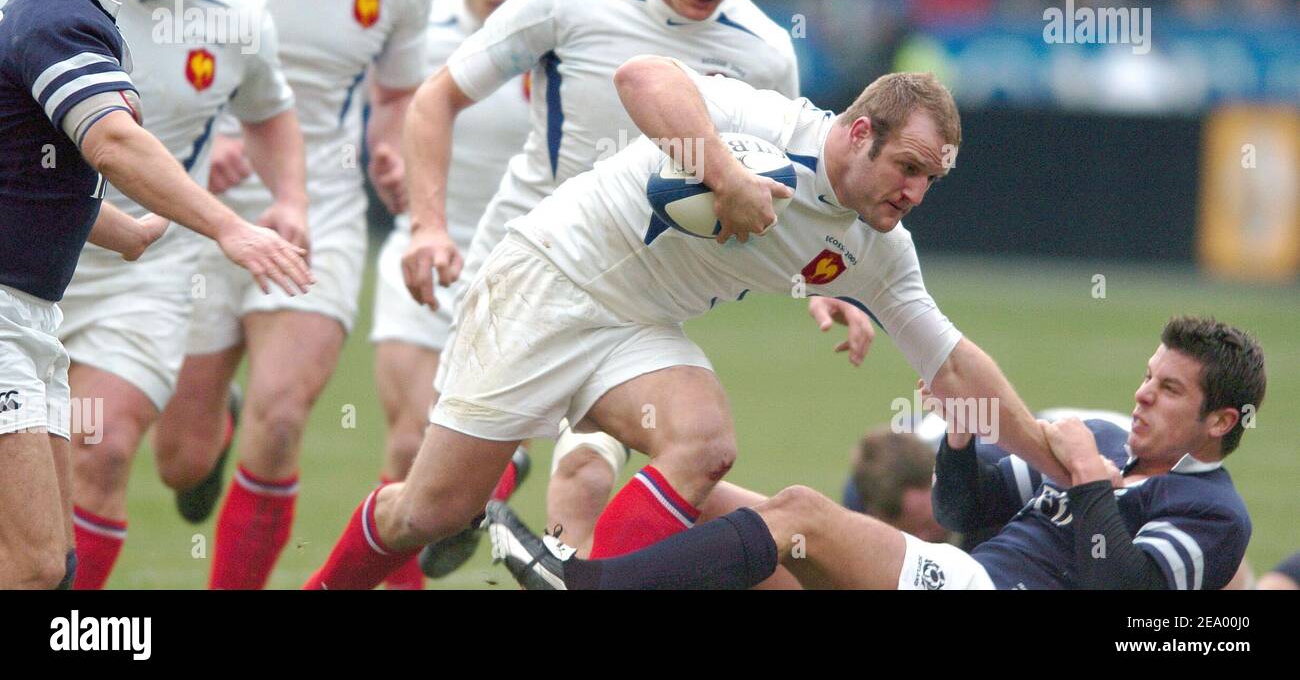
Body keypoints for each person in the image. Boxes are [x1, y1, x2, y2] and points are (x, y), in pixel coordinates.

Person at [303, 54, 1069, 590]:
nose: (915, 191)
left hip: (633, 328)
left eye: (930, 178)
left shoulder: (879, 246)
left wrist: (1049, 454)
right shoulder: (773, 125)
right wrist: (727, 174)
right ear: (860, 131)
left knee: (705, 440)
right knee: (432, 510)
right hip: (548, 281)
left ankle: (596, 585)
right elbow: (642, 78)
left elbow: (951, 362)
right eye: (908, 166)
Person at [400, 0, 874, 570]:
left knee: (611, 465)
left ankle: (578, 570)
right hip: (528, 267)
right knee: (430, 503)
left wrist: (826, 283)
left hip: (638, 295)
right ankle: (480, 493)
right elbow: (434, 100)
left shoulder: (766, 51)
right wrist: (429, 225)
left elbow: (793, 184)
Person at [151, 0, 436, 589]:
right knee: (178, 460)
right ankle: (210, 424)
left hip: (317, 213)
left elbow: (394, 94)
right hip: (196, 207)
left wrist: (390, 152)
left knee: (279, 418)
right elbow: (167, 51)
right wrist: (210, 139)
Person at [0, 0, 311, 590]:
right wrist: (229, 224)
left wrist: (121, 231)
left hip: (31, 315)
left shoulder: (57, 11)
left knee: (54, 561)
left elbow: (32, 176)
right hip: (6, 315)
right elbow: (113, 144)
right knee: (37, 561)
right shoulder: (56, 19)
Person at [490, 316, 1263, 592]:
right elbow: (966, 510)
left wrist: (1093, 486)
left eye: (1168, 390)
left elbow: (1120, 591)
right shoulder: (1102, 445)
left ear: (1220, 419)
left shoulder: (1211, 510)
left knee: (800, 514)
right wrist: (962, 436)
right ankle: (578, 539)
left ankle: (587, 581)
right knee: (717, 509)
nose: (1141, 394)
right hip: (965, 574)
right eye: (1147, 376)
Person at [367, 0, 541, 587]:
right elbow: (383, 113)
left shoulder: (557, 42)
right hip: (425, 245)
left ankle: (496, 478)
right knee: (412, 442)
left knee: (475, 441)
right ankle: (483, 490)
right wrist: (385, 159)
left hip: (522, 261)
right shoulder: (421, 33)